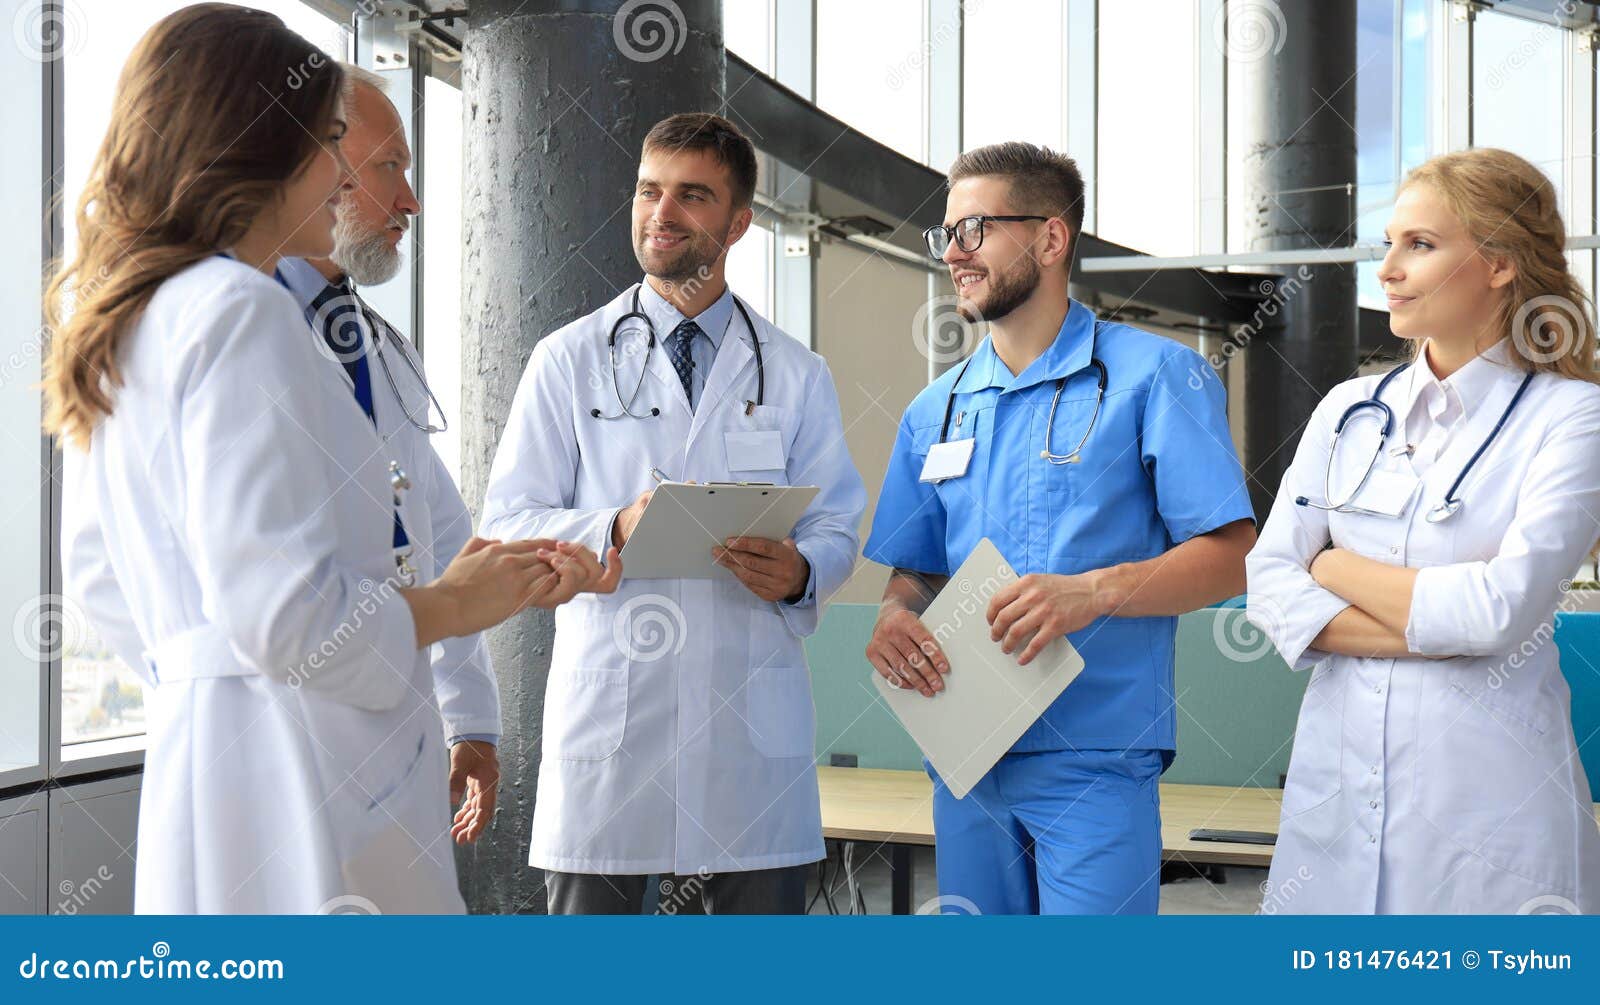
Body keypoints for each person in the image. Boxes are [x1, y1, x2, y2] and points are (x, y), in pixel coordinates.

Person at [48, 3, 614, 914]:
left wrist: (217, 676)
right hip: (308, 779)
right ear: (266, 148)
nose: (339, 175)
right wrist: (448, 605)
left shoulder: (139, 317)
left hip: (211, 770)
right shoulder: (243, 310)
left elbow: (104, 579)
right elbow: (288, 617)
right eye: (331, 145)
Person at [480, 112, 867, 915]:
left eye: (692, 196)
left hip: (747, 752)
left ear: (737, 223)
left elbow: (836, 524)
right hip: (613, 736)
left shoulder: (796, 373)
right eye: (649, 190)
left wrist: (800, 570)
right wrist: (613, 526)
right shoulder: (569, 359)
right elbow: (508, 520)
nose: (662, 212)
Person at [863, 142, 1256, 915]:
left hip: (1094, 758)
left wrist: (1091, 593)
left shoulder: (1155, 376)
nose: (952, 252)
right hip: (965, 750)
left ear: (1051, 238)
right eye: (944, 233)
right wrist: (892, 615)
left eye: (974, 229)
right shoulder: (934, 409)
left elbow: (1233, 557)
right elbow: (915, 567)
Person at [1246, 147, 1600, 914]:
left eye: (1421, 244)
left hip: (1490, 826)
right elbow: (1270, 585)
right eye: (1389, 245)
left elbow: (1504, 609)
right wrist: (1448, 624)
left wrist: (1336, 570)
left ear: (1500, 264)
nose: (1388, 269)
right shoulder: (1348, 409)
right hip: (1333, 818)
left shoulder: (1572, 417)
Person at [277, 64, 502, 847]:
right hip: (284, 736)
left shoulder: (378, 347)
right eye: (389, 168)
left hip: (398, 730)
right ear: (321, 161)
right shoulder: (242, 325)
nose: (409, 200)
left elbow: (439, 535)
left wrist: (471, 716)